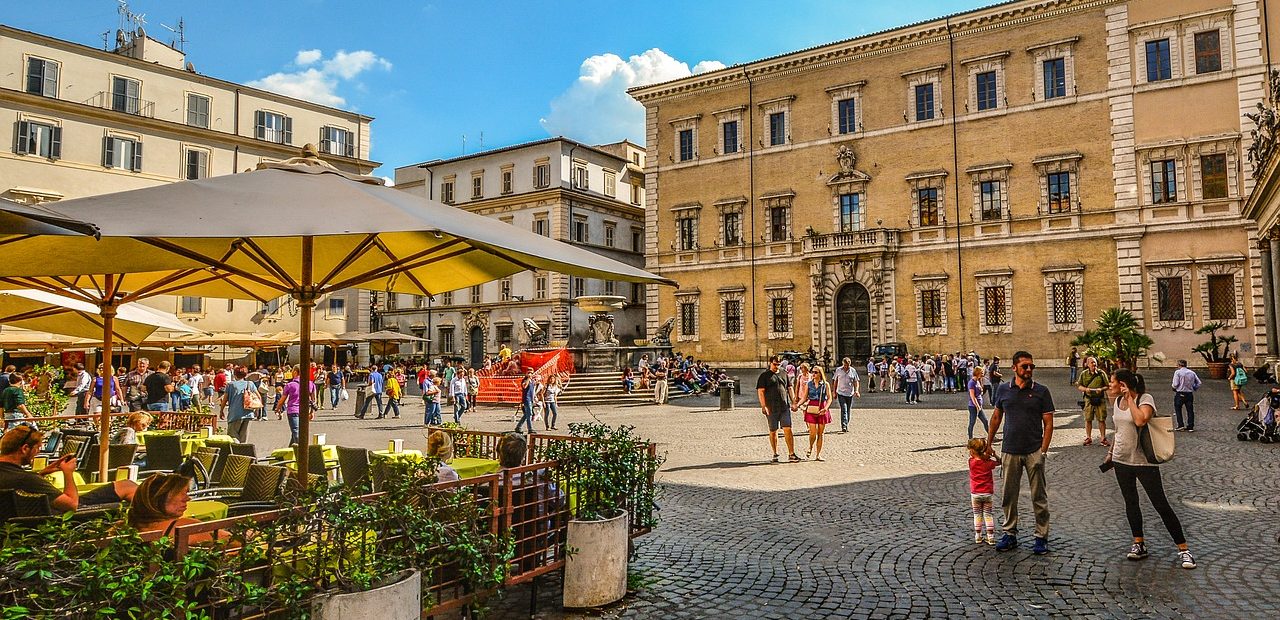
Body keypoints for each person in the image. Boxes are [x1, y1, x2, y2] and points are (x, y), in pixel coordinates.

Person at [1105, 369, 1197, 569]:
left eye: (1112, 382)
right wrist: (1111, 453)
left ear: (1123, 384)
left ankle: (1184, 549)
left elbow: (1140, 420)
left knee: (1160, 504)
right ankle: (1138, 543)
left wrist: (1130, 399)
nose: (1109, 385)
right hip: (1121, 460)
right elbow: (1119, 430)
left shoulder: (1145, 399)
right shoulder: (1116, 402)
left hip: (1144, 461)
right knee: (1131, 503)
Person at [987, 350, 1054, 555]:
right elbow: (996, 417)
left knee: (1039, 496)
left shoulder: (1042, 391)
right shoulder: (1003, 390)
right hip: (1010, 449)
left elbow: (1048, 423)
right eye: (1025, 366)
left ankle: (1041, 536)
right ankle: (1009, 533)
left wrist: (1043, 451)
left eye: (1031, 366)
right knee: (1009, 495)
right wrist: (989, 442)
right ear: (1014, 367)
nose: (1029, 369)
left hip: (1034, 450)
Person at [0, 426, 137, 511]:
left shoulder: (17, 476)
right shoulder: (27, 479)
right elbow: (72, 505)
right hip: (65, 520)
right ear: (25, 448)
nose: (38, 452)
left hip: (18, 527)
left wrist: (42, 473)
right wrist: (68, 473)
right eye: (37, 448)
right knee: (127, 486)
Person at [125, 473, 215, 543]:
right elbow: (223, 539)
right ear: (160, 497)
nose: (187, 499)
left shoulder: (125, 529)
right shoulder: (184, 526)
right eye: (182, 493)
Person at [757, 355, 798, 463]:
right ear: (770, 363)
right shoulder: (764, 376)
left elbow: (789, 388)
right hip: (771, 408)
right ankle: (775, 453)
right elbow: (761, 391)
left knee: (788, 428)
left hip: (784, 406)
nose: (776, 366)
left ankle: (791, 454)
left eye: (778, 364)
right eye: (775, 364)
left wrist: (793, 401)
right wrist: (763, 406)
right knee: (773, 430)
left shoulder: (784, 373)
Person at [967, 437, 999, 545]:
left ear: (972, 451)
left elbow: (974, 457)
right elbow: (999, 462)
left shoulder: (971, 462)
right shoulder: (988, 463)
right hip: (988, 493)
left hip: (975, 493)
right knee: (988, 515)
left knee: (977, 515)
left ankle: (978, 536)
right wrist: (993, 454)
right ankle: (991, 537)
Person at [798, 366, 832, 461]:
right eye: (812, 372)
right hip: (811, 408)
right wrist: (798, 404)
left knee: (820, 433)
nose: (813, 374)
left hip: (822, 407)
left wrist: (826, 408)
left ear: (820, 374)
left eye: (816, 372)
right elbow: (804, 397)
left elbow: (829, 398)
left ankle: (818, 454)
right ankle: (810, 446)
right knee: (812, 432)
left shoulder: (826, 384)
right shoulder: (809, 384)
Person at [1076, 357, 1110, 446]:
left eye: (1095, 362)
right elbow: (1079, 386)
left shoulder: (1101, 373)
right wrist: (1085, 389)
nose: (1094, 364)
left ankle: (1103, 438)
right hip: (1088, 399)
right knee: (1088, 419)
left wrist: (1101, 389)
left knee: (1101, 419)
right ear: (1087, 364)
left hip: (1100, 399)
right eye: (1091, 363)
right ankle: (1088, 437)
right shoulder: (1084, 374)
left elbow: (1107, 385)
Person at [221, 367, 258, 444]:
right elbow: (258, 397)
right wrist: (257, 410)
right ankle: (242, 450)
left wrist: (221, 410)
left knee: (233, 435)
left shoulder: (231, 385)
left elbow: (225, 399)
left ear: (235, 375)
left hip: (235, 414)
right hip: (248, 413)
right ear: (246, 375)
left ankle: (236, 450)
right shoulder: (250, 384)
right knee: (243, 437)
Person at [278, 367, 314, 446]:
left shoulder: (290, 385)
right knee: (296, 432)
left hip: (293, 410)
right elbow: (313, 400)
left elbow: (282, 399)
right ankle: (289, 450)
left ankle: (302, 449)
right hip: (305, 411)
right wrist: (312, 412)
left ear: (295, 372)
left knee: (296, 432)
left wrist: (277, 408)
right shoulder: (310, 384)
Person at [1171, 359, 1202, 432]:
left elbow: (1175, 384)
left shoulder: (1178, 372)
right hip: (1189, 393)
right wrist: (1194, 388)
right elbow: (1199, 383)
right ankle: (1190, 426)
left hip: (1180, 393)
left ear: (1179, 365)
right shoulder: (1192, 372)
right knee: (1190, 410)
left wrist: (1173, 387)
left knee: (1178, 409)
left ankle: (1180, 425)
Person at [831, 357, 861, 433]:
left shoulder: (853, 370)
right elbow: (835, 381)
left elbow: (856, 381)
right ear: (843, 364)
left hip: (849, 393)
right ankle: (844, 425)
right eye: (845, 365)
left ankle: (846, 423)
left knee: (848, 410)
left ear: (849, 364)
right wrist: (834, 392)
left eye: (847, 365)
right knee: (844, 409)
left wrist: (856, 390)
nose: (846, 367)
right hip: (841, 393)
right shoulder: (838, 370)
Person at [967, 366, 989, 439]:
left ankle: (991, 436)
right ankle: (970, 438)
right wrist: (977, 406)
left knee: (985, 421)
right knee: (972, 422)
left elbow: (980, 392)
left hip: (979, 406)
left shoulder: (978, 381)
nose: (983, 374)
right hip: (973, 406)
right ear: (977, 373)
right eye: (981, 373)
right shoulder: (971, 383)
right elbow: (972, 396)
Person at [517, 370, 537, 435]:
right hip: (526, 399)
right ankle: (530, 428)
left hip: (530, 399)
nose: (530, 374)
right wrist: (528, 378)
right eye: (528, 373)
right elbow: (524, 386)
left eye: (531, 373)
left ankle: (518, 427)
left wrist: (534, 397)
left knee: (526, 414)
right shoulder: (525, 380)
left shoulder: (532, 381)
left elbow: (532, 390)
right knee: (529, 414)